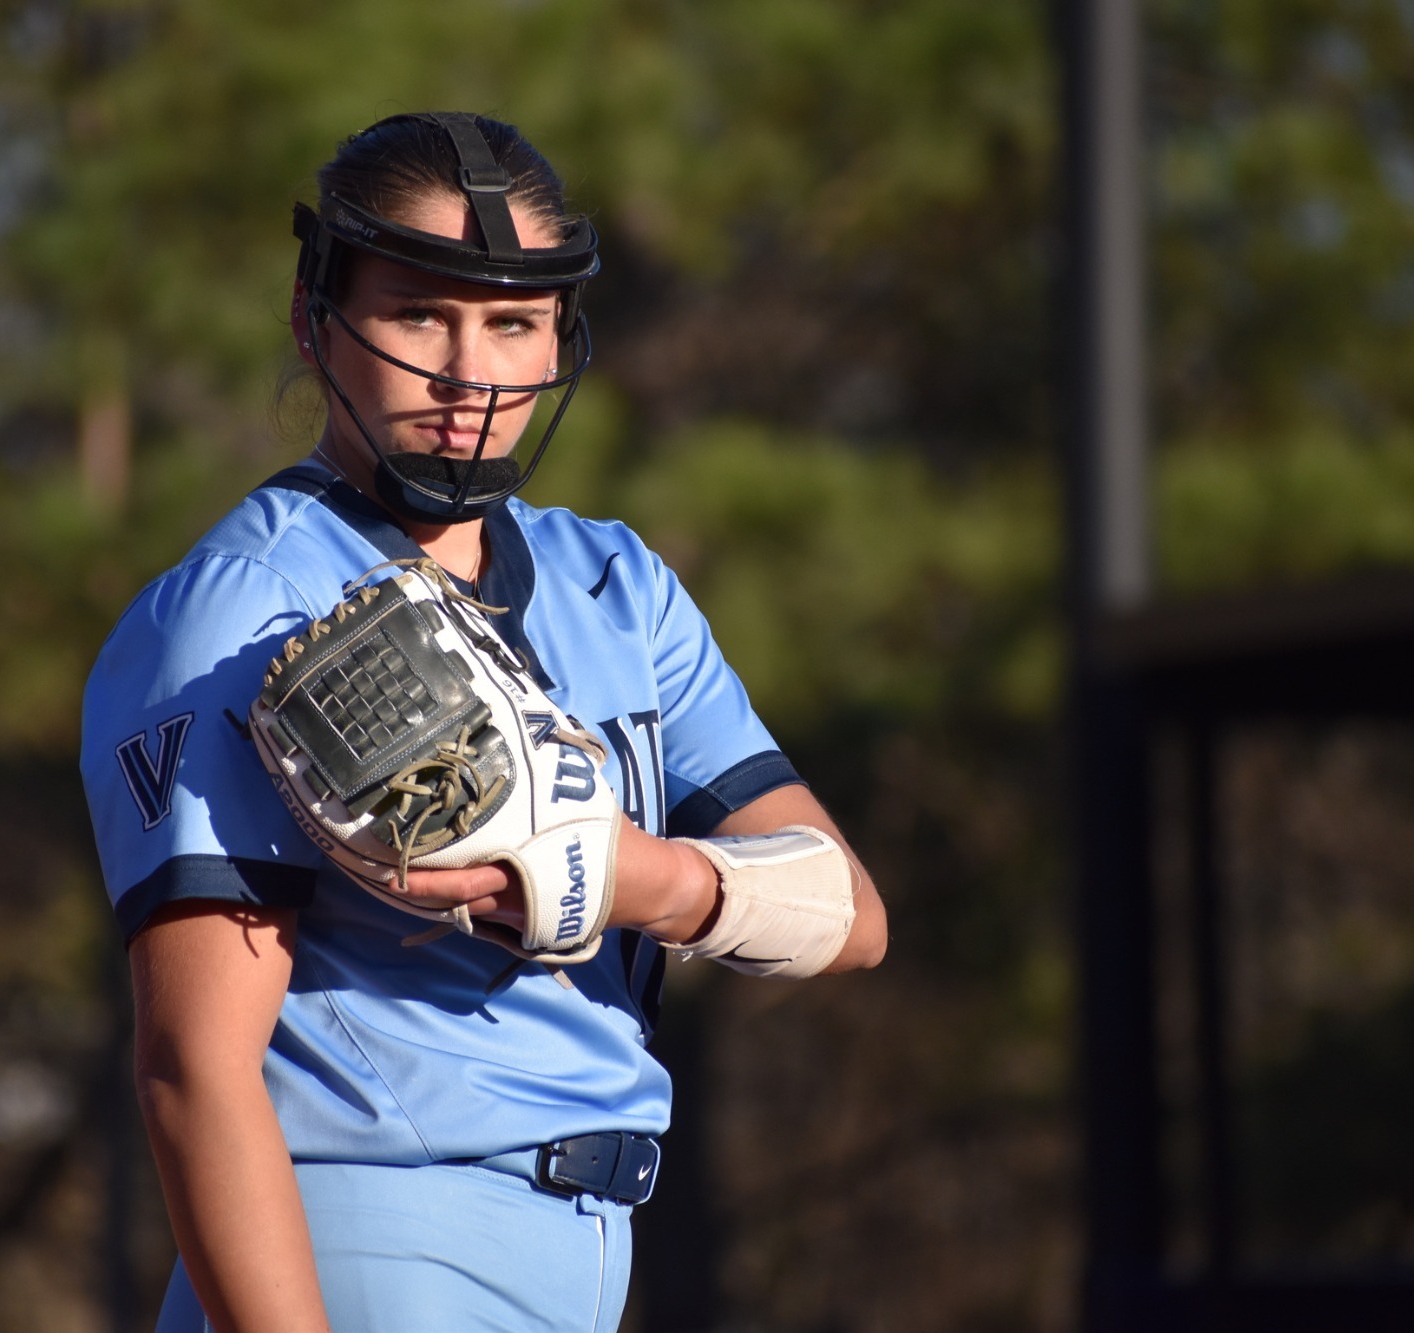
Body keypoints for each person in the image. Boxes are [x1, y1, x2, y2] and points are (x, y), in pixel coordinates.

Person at [81, 111, 887, 1333]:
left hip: (591, 1250)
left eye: (510, 321)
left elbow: (845, 914)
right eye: (420, 314)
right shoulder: (244, 611)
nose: (470, 372)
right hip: (363, 1241)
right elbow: (193, 1069)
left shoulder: (613, 583)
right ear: (315, 320)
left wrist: (641, 879)